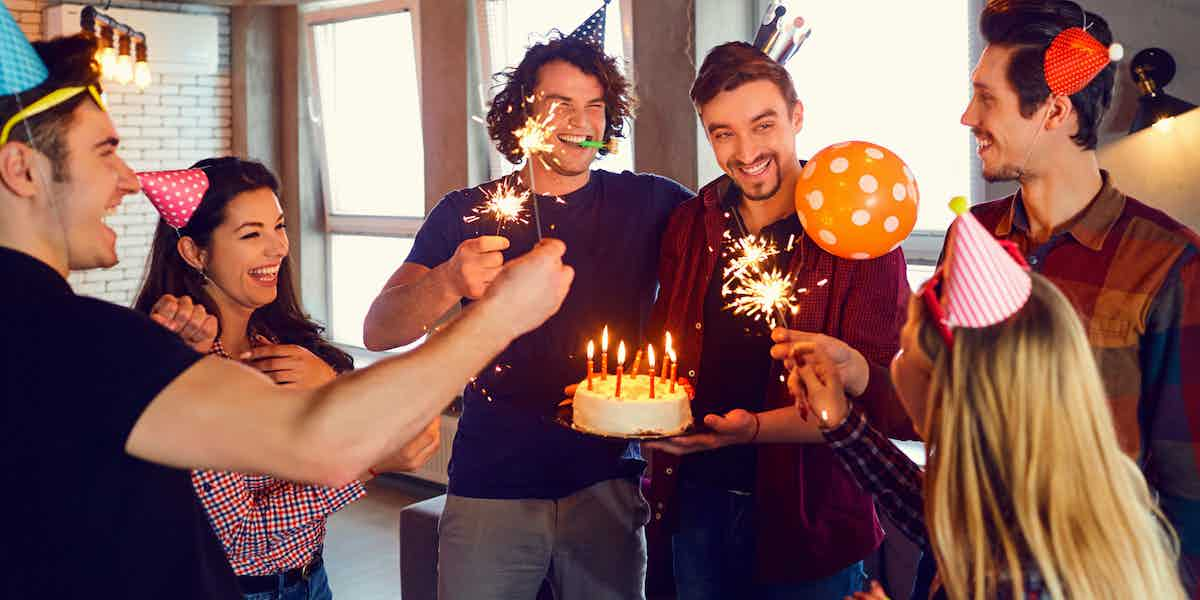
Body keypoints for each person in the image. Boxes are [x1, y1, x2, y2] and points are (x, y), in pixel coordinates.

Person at [0, 30, 572, 597]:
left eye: (278, 227)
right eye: (104, 150)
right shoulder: (82, 343)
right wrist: (497, 316)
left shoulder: (99, 342)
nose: (128, 178)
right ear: (22, 169)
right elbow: (315, 450)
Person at [776, 0, 1200, 589]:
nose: (967, 116)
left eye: (987, 98)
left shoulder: (1167, 265)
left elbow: (1189, 507)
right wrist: (859, 381)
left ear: (1054, 110)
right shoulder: (970, 235)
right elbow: (948, 436)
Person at [362, 29, 692, 599]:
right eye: (560, 103)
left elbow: (737, 230)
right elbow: (380, 329)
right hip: (492, 484)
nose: (581, 122)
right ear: (522, 112)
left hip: (607, 488)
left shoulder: (649, 202)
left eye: (594, 105)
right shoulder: (466, 214)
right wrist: (447, 281)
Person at [788, 204, 1188, 599]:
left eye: (904, 348)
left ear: (944, 388)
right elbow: (941, 518)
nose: (893, 362)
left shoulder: (1019, 578)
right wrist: (840, 422)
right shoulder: (1045, 488)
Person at [640, 42, 914, 599]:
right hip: (696, 504)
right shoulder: (691, 223)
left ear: (797, 117)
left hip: (813, 520)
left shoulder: (858, 231)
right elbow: (664, 348)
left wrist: (755, 430)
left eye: (762, 126)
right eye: (722, 133)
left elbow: (883, 397)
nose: (745, 152)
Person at [132, 156, 441, 600]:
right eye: (251, 234)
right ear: (195, 252)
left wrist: (330, 389)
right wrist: (368, 464)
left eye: (278, 226)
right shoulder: (188, 368)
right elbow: (240, 539)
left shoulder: (278, 343)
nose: (278, 248)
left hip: (312, 581)